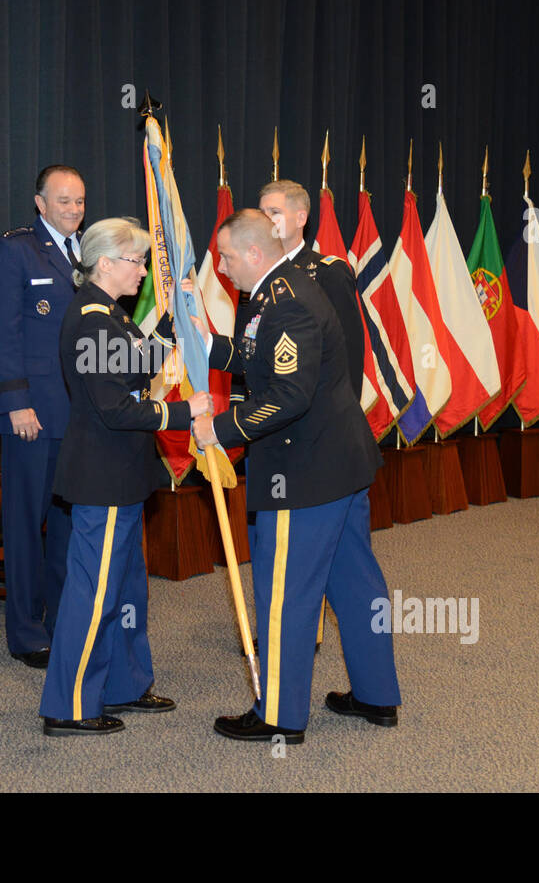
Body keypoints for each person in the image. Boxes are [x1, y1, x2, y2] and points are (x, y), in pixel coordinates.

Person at [192, 209, 400, 743]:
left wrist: (221, 429)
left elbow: (287, 395)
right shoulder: (277, 290)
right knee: (354, 583)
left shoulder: (287, 302)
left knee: (286, 593)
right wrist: (212, 344)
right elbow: (262, 357)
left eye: (227, 256)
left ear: (255, 254)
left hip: (302, 473)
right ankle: (376, 696)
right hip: (338, 465)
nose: (221, 266)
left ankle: (280, 716)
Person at [38, 217, 212, 735]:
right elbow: (116, 408)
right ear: (107, 262)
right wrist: (184, 414)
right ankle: (68, 706)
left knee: (127, 590)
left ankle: (122, 685)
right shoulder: (92, 318)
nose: (143, 271)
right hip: (104, 475)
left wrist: (174, 318)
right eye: (137, 261)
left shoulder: (107, 312)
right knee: (93, 595)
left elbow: (137, 365)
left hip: (125, 475)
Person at [0, 165, 86, 668]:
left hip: (78, 415)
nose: (73, 209)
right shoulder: (15, 249)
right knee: (25, 527)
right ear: (40, 203)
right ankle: (26, 634)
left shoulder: (89, 252)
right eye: (63, 201)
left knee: (67, 525)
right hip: (32, 416)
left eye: (80, 201)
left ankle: (62, 619)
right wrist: (15, 403)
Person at [259, 179, 366, 398]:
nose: (265, 221)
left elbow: (349, 349)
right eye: (262, 213)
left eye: (275, 212)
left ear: (301, 218)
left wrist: (343, 417)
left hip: (314, 407)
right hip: (265, 405)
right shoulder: (255, 276)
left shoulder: (329, 273)